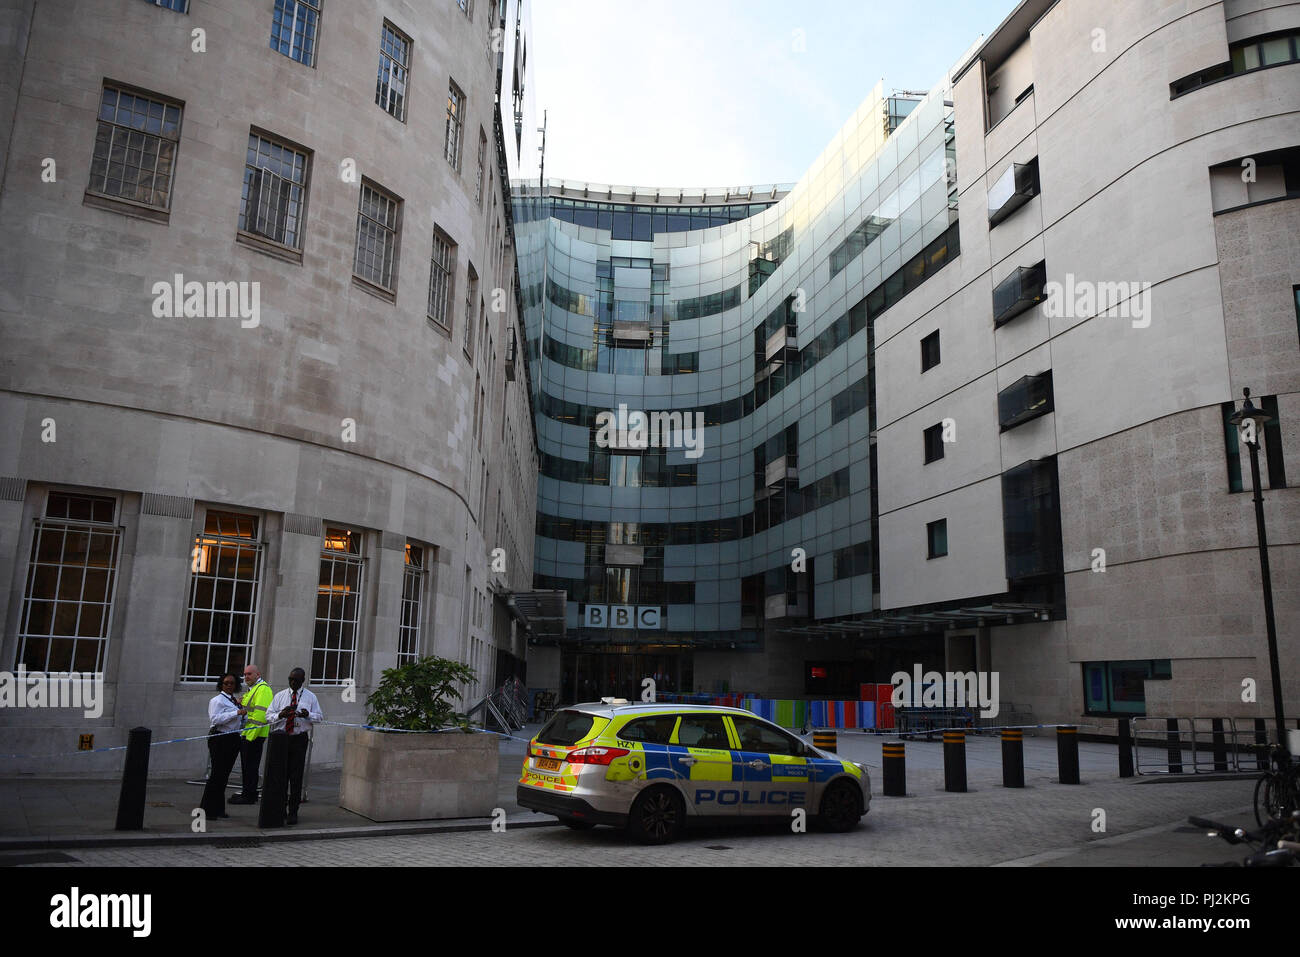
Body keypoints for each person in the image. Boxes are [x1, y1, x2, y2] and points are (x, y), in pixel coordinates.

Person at [263, 668, 323, 825]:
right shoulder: (280, 696)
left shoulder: (310, 697)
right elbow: (268, 716)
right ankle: (280, 809)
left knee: (296, 778)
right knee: (280, 776)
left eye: (296, 680)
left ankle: (293, 811)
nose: (292, 682)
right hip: (281, 739)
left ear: (302, 680)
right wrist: (280, 715)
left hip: (299, 739)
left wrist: (307, 714)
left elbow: (319, 717)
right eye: (290, 679)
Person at [199, 673, 243, 819]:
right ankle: (206, 810)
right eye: (226, 683)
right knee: (216, 775)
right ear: (221, 684)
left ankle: (218, 808)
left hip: (233, 737)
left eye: (232, 683)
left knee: (224, 776)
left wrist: (241, 711)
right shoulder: (217, 701)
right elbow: (215, 719)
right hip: (220, 738)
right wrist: (236, 712)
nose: (229, 685)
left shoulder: (233, 701)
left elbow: (240, 719)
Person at [229, 664, 272, 804]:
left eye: (249, 674)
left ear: (257, 675)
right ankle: (247, 793)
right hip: (248, 734)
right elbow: (248, 709)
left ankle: (249, 796)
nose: (246, 676)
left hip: (254, 735)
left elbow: (260, 716)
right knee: (247, 767)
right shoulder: (253, 689)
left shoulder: (263, 689)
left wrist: (249, 737)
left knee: (250, 767)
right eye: (245, 674)